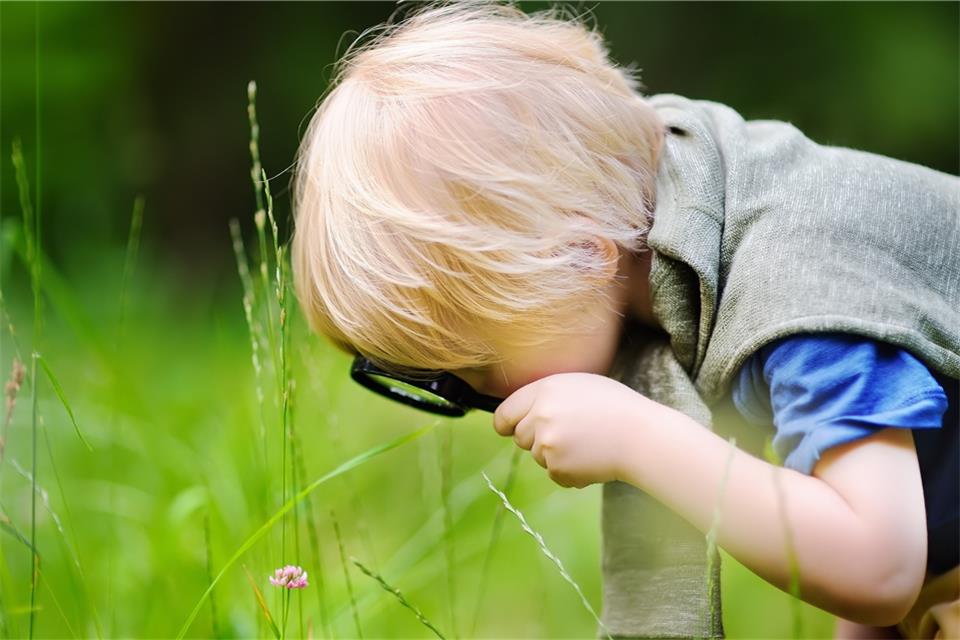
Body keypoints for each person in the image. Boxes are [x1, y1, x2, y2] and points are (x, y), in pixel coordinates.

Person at [289, 1, 960, 637]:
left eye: (480, 364)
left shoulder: (800, 286)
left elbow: (879, 565)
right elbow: (913, 521)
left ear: (584, 258)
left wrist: (642, 439)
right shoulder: (696, 208)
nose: (485, 396)